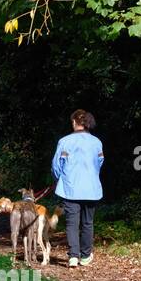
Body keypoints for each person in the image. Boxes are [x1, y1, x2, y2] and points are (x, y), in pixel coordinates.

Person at [51, 109, 104, 267]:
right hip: (92, 189)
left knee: (72, 223)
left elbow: (56, 166)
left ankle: (73, 256)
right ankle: (86, 256)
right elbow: (100, 162)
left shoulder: (65, 141)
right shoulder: (97, 142)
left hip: (70, 187)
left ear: (74, 122)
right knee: (88, 223)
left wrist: (58, 178)